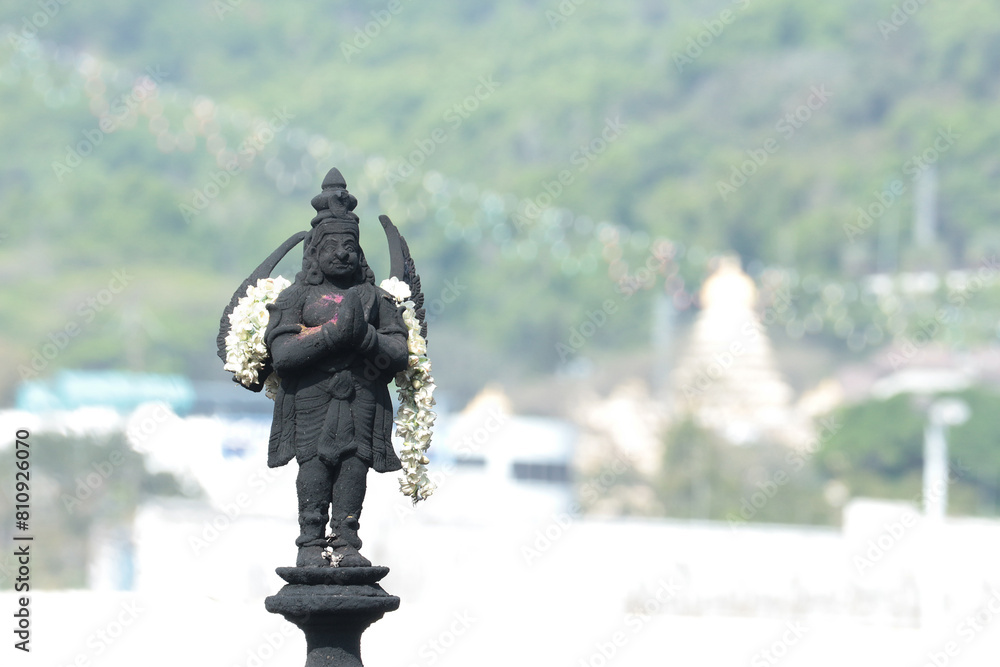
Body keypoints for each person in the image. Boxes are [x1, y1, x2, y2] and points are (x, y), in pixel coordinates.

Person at [263, 168, 409, 567]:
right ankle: (310, 542)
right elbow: (283, 355)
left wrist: (363, 338)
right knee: (313, 467)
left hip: (362, 397)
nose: (342, 252)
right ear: (314, 252)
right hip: (311, 399)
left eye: (350, 245)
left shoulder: (375, 298)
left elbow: (399, 352)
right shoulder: (297, 296)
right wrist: (331, 335)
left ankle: (346, 541)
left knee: (352, 469)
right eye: (333, 245)